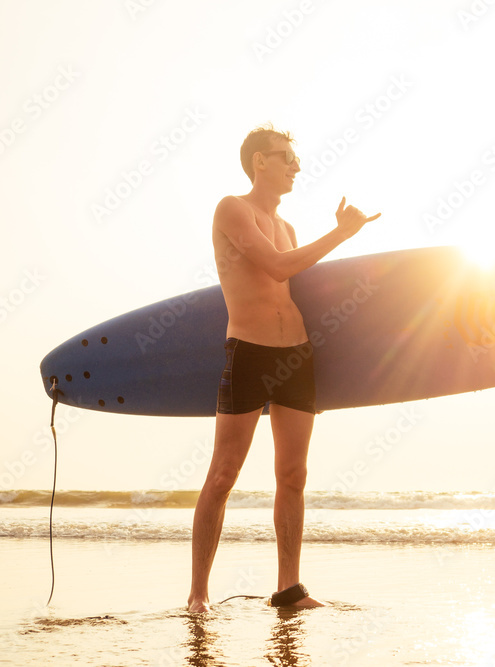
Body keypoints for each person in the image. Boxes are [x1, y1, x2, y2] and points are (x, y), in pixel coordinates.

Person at [187, 125, 381, 612]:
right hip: (248, 352)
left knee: (293, 474)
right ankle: (198, 594)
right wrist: (342, 233)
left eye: (295, 159)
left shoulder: (289, 227)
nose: (296, 166)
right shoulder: (232, 208)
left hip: (295, 354)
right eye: (286, 158)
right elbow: (276, 267)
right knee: (223, 473)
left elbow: (295, 278)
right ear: (260, 161)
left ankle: (289, 589)